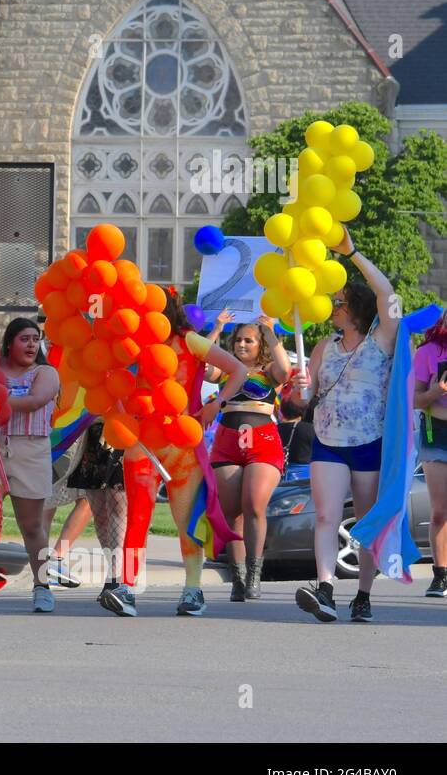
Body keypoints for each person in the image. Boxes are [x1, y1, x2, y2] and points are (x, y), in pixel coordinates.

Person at [104, 290, 248, 618]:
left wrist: (216, 404)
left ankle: (193, 590)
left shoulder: (191, 342)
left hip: (182, 445)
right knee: (136, 518)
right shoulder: (134, 344)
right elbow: (114, 381)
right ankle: (126, 588)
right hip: (141, 442)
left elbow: (238, 370)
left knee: (187, 521)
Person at [289, 226, 400, 622]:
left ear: (358, 308)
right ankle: (325, 589)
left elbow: (387, 293)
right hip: (328, 441)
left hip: (370, 442)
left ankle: (364, 595)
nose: (332, 307)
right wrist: (299, 391)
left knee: (367, 523)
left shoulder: (382, 339)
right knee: (325, 516)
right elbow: (302, 400)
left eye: (339, 302)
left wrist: (351, 253)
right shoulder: (323, 346)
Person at [205, 316, 291, 601]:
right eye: (239, 339)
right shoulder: (226, 370)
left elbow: (286, 370)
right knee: (232, 514)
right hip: (226, 443)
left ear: (260, 345)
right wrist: (217, 328)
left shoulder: (268, 371)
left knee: (254, 505)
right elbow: (202, 364)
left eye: (249, 340)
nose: (242, 344)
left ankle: (255, 574)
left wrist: (269, 330)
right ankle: (238, 578)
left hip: (263, 444)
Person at [0, 318, 60, 612]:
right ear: (9, 342)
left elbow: (35, 401)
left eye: (35, 338)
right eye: (24, 338)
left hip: (30, 448)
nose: (32, 344)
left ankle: (42, 586)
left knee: (31, 525)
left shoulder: (46, 372)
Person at [64, 421, 130, 613]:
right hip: (94, 433)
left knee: (118, 506)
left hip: (126, 430)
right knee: (100, 514)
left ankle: (115, 579)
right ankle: (114, 571)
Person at [412, 309, 447, 597]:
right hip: (436, 434)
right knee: (440, 511)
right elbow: (414, 399)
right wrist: (436, 392)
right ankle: (440, 575)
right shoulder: (428, 352)